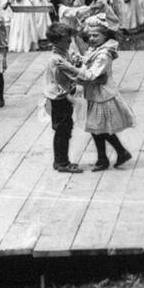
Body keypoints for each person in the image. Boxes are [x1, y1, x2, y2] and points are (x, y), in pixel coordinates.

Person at [71, 22, 134, 171]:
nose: (91, 38)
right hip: (94, 93)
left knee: (98, 128)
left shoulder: (104, 54)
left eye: (95, 35)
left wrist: (72, 72)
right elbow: (89, 62)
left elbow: (91, 74)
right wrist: (80, 60)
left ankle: (115, 154)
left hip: (102, 95)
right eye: (90, 35)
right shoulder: (96, 49)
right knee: (96, 128)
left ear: (105, 37)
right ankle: (107, 156)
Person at [43, 22, 84, 174]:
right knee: (63, 130)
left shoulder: (64, 51)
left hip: (63, 96)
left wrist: (81, 60)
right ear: (56, 40)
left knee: (65, 129)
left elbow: (76, 58)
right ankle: (62, 162)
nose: (70, 42)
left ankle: (59, 160)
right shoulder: (56, 59)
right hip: (59, 99)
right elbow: (73, 72)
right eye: (67, 40)